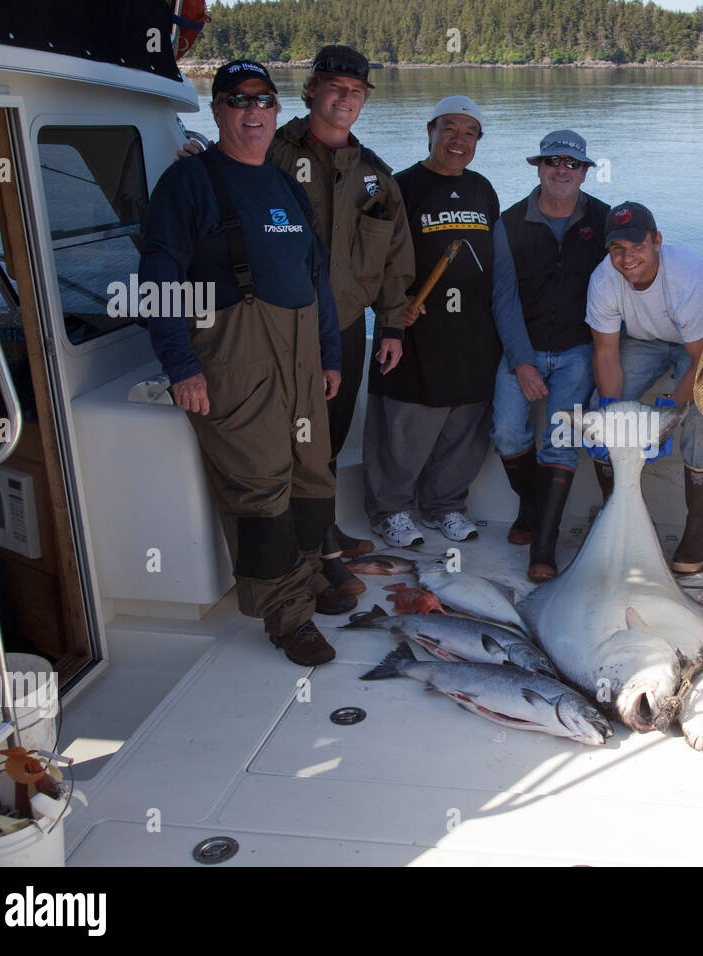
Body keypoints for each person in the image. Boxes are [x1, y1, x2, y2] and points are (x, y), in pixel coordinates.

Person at [180, 46, 414, 599]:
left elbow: (396, 260)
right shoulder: (272, 156)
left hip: (344, 329)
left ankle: (322, 534)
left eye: (355, 91)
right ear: (310, 91)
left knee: (324, 439)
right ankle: (303, 558)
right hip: (270, 330)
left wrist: (395, 326)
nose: (344, 99)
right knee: (275, 447)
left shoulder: (377, 177)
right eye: (334, 87)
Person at [141, 60, 347, 666]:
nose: (253, 111)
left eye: (263, 99)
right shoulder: (189, 182)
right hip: (234, 358)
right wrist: (181, 364)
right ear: (218, 111)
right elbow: (159, 278)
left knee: (313, 474)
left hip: (303, 355)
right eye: (238, 100)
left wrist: (330, 355)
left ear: (277, 111)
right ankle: (286, 616)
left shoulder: (285, 183)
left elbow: (317, 276)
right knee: (259, 487)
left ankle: (308, 579)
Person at [363, 95, 520, 547]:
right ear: (430, 131)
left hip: (473, 331)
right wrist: (396, 303)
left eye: (470, 132)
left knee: (464, 429)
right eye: (449, 128)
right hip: (416, 331)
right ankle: (389, 510)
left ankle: (442, 506)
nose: (459, 139)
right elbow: (375, 257)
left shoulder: (482, 189)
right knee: (405, 428)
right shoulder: (399, 186)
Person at [491, 130, 608, 581]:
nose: (562, 170)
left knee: (560, 439)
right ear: (538, 167)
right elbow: (502, 298)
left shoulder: (602, 220)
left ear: (584, 171)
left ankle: (543, 544)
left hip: (579, 349)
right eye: (553, 161)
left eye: (572, 163)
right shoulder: (509, 222)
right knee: (505, 431)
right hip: (522, 346)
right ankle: (533, 508)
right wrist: (522, 362)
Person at [585, 201, 703, 575]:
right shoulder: (603, 280)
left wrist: (665, 417)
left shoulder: (687, 277)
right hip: (644, 341)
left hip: (697, 345)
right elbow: (607, 353)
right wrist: (612, 410)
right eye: (617, 249)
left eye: (637, 246)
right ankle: (619, 516)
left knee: (700, 418)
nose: (627, 258)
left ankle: (696, 531)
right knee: (602, 418)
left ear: (657, 241)